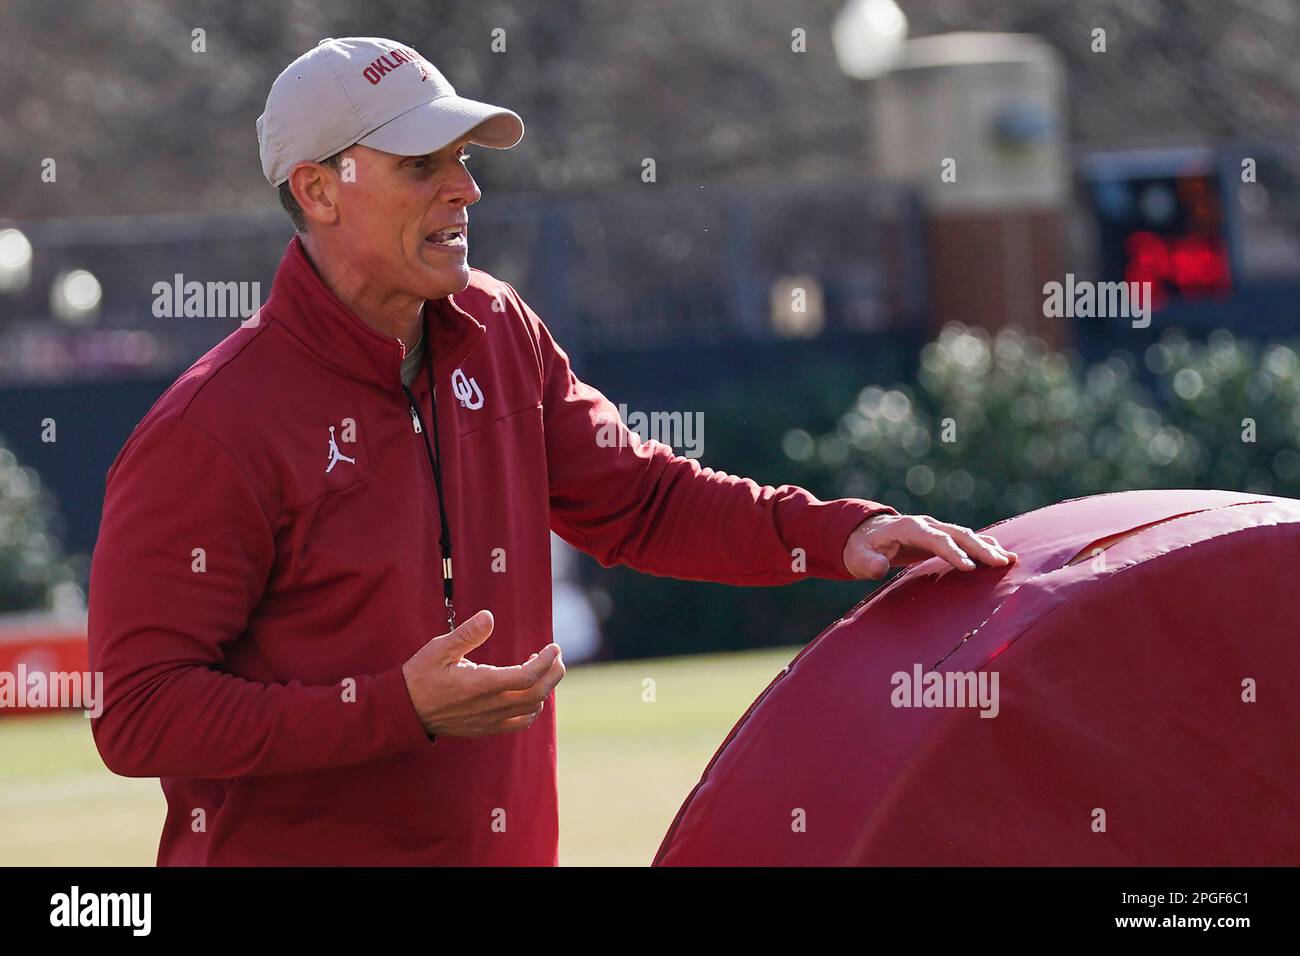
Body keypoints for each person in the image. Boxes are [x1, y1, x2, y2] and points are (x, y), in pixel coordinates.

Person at [87, 36, 1016, 865]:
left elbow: (641, 500)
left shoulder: (496, 327)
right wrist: (393, 710)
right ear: (318, 190)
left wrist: (837, 536)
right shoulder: (209, 428)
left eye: (461, 158)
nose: (466, 187)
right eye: (422, 164)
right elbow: (136, 715)